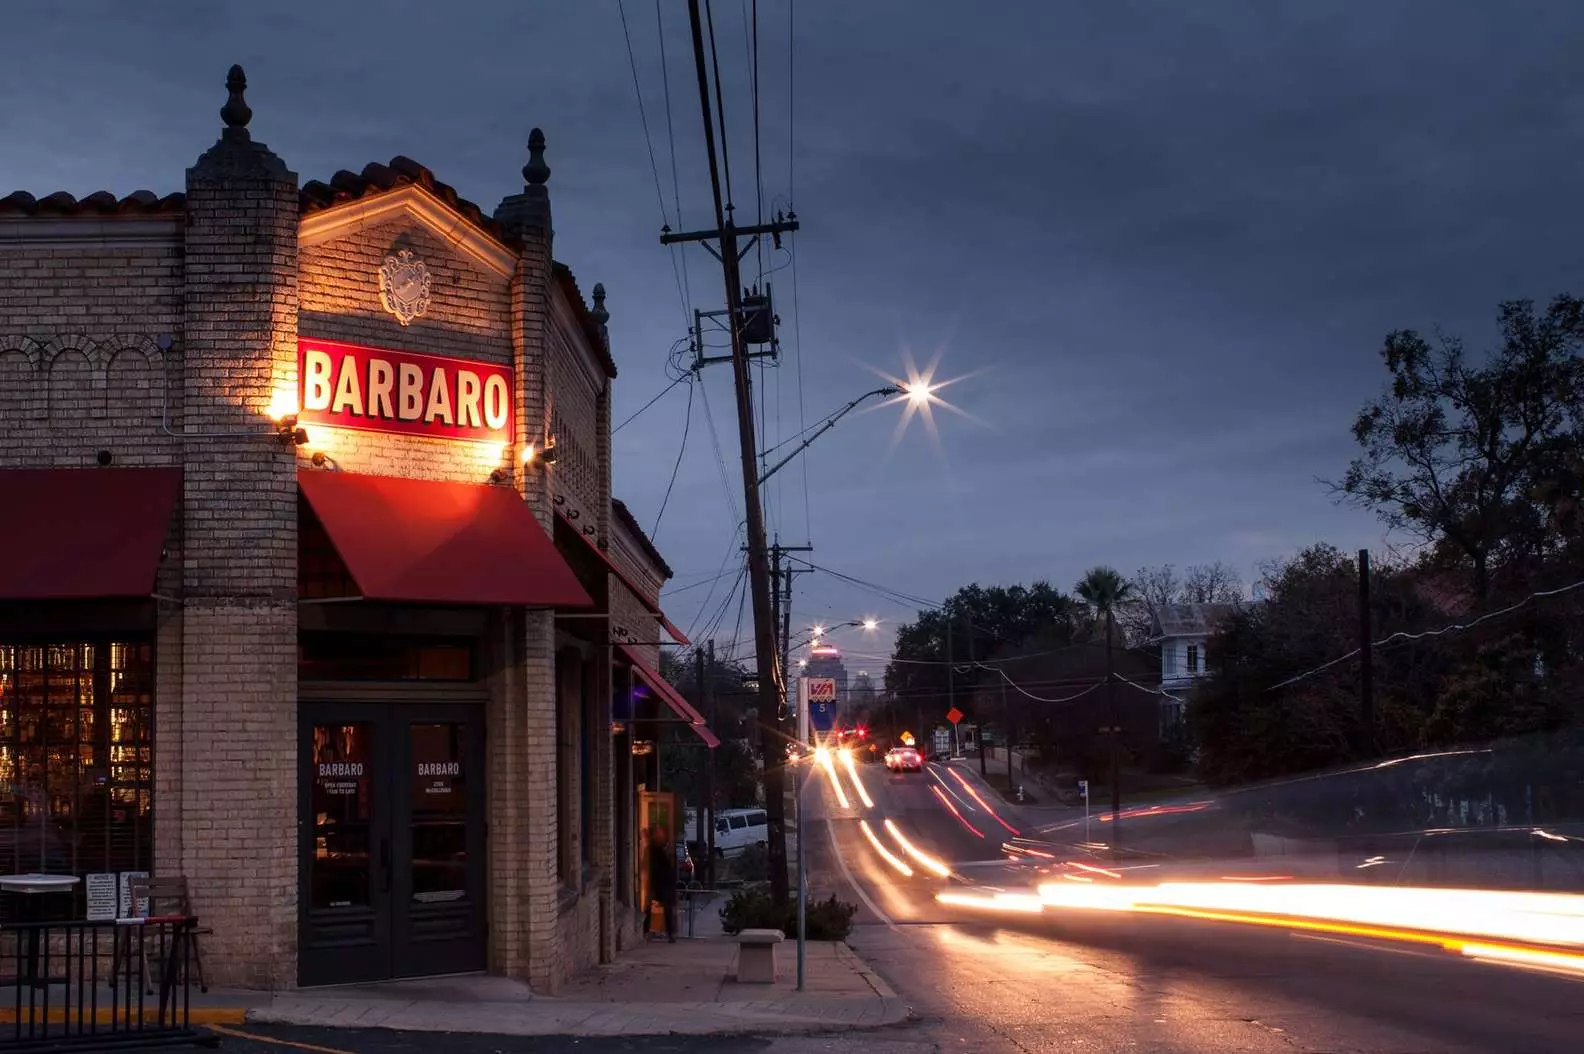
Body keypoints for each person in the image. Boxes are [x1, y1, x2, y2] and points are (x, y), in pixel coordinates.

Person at [647, 824, 677, 942]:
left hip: (665, 883)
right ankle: (650, 929)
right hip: (660, 883)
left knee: (667, 909)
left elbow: (669, 865)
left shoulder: (663, 848)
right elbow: (657, 866)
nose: (661, 836)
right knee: (653, 906)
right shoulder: (655, 849)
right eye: (658, 833)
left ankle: (670, 933)